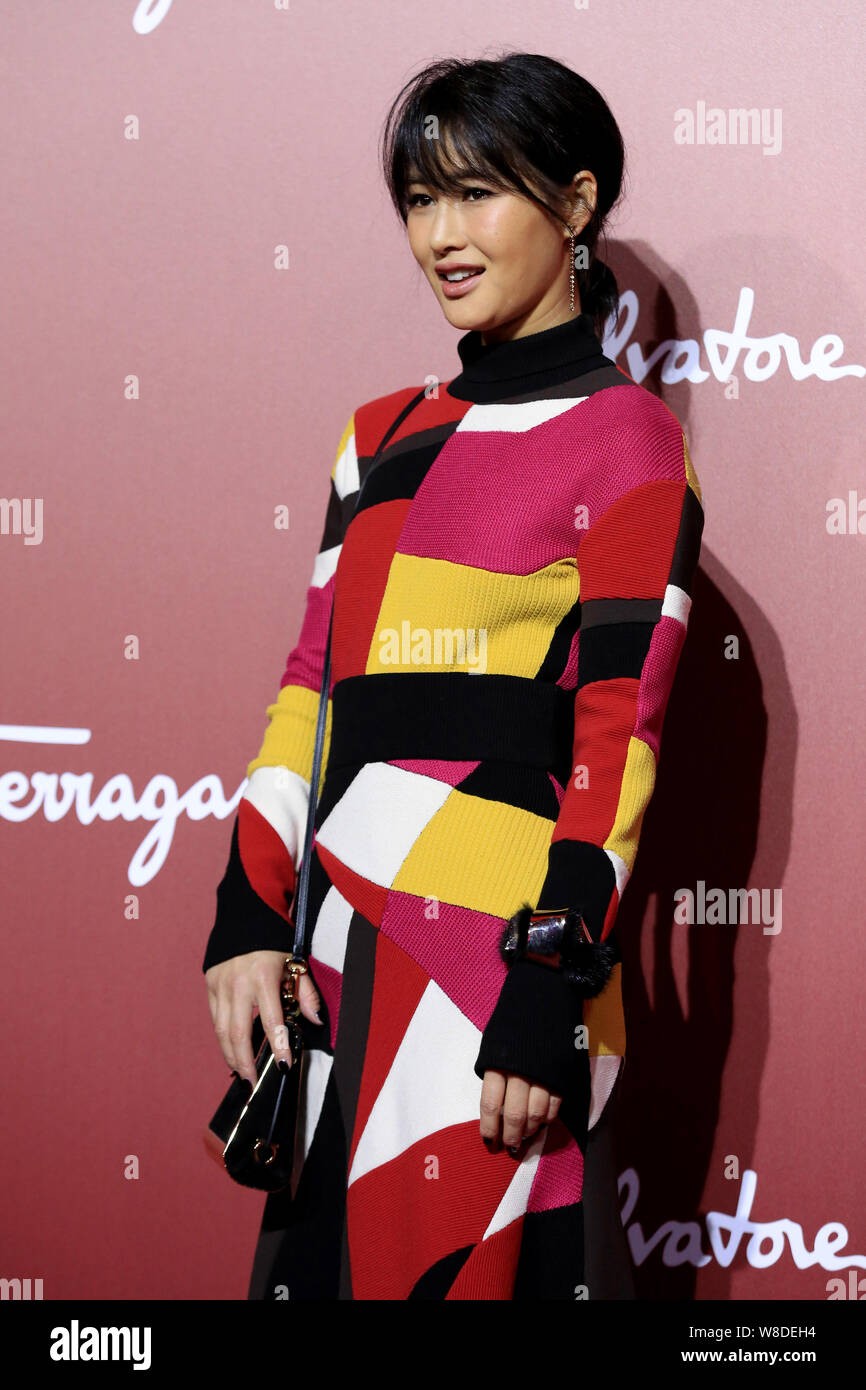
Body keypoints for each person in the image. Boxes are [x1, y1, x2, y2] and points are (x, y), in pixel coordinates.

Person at [202, 51, 704, 1301]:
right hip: (333, 957)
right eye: (420, 201)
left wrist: (550, 980)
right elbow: (311, 689)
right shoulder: (377, 436)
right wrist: (248, 914)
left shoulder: (627, 439)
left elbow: (616, 735)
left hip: (491, 969)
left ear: (576, 206)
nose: (442, 235)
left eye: (478, 194)